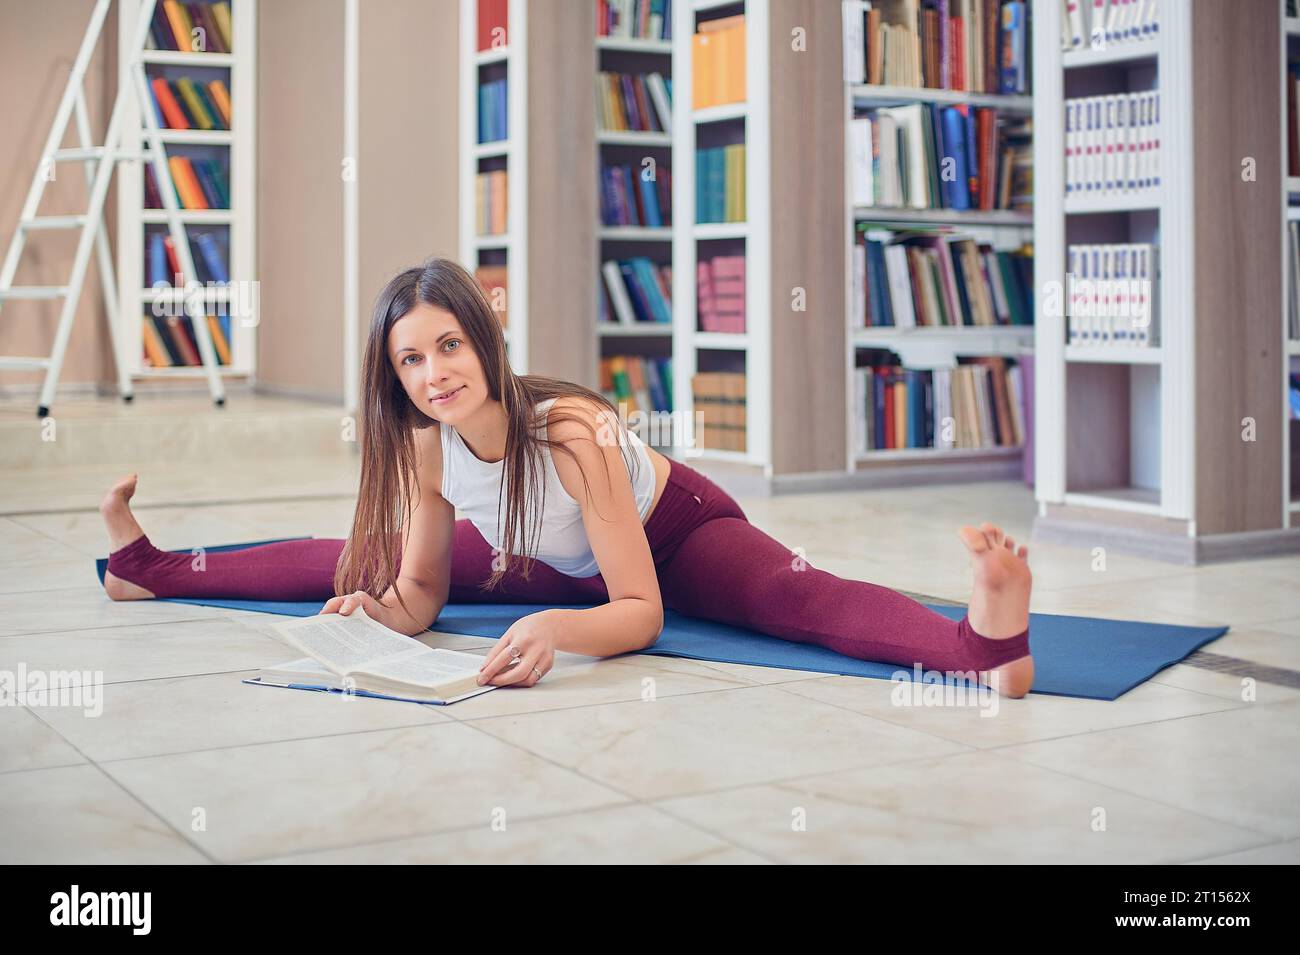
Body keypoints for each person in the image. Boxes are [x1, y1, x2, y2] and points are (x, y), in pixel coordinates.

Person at [100, 257, 1034, 696]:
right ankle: (146, 566)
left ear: (485, 341)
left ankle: (983, 646)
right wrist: (382, 613)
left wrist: (552, 626)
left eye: (450, 345)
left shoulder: (574, 434)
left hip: (672, 531)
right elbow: (422, 588)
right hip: (546, 553)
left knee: (797, 599)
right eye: (412, 360)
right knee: (355, 558)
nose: (434, 375)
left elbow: (641, 610)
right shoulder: (426, 443)